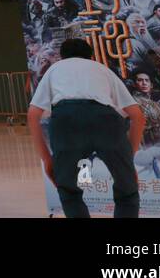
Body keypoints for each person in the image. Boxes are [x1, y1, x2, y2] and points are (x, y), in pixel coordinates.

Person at [27, 37, 144, 218]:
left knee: (68, 190)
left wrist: (48, 160)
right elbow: (137, 116)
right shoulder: (103, 70)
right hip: (105, 120)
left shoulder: (55, 69)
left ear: (62, 56)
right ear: (91, 56)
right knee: (127, 189)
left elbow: (33, 115)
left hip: (66, 121)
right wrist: (128, 158)